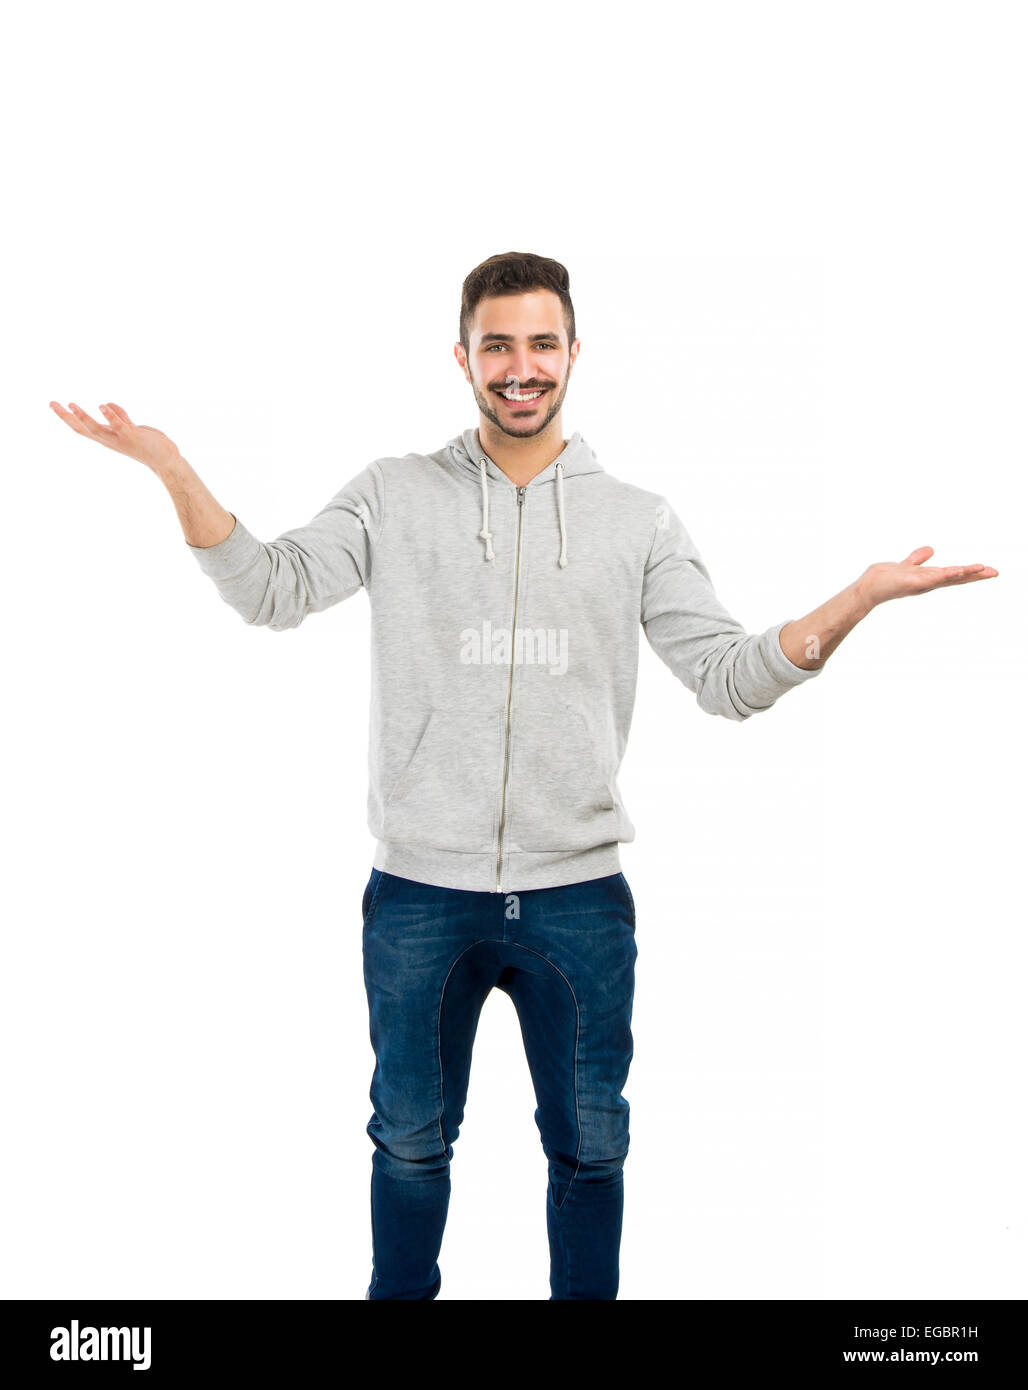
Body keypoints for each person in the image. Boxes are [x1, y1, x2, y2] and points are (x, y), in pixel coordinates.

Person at [50, 251, 998, 1300]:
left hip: (577, 899)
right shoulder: (393, 493)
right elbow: (273, 590)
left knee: (590, 1150)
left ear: (573, 353)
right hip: (418, 893)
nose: (519, 366)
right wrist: (174, 470)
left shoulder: (636, 519)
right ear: (461, 357)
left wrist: (855, 598)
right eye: (496, 344)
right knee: (408, 1143)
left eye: (540, 343)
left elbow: (729, 678)